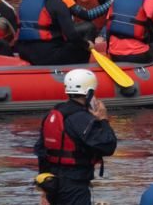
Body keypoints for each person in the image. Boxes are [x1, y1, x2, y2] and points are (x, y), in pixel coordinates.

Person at [36, 69, 118, 205]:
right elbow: (108, 146)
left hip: (52, 182)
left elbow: (41, 150)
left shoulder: (53, 113)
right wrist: (103, 119)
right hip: (74, 183)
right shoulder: (82, 118)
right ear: (90, 93)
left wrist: (45, 188)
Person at [17, 0, 92, 66]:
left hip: (23, 52)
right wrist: (87, 45)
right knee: (81, 50)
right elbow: (72, 35)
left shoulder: (26, 0)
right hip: (46, 54)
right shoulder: (57, 3)